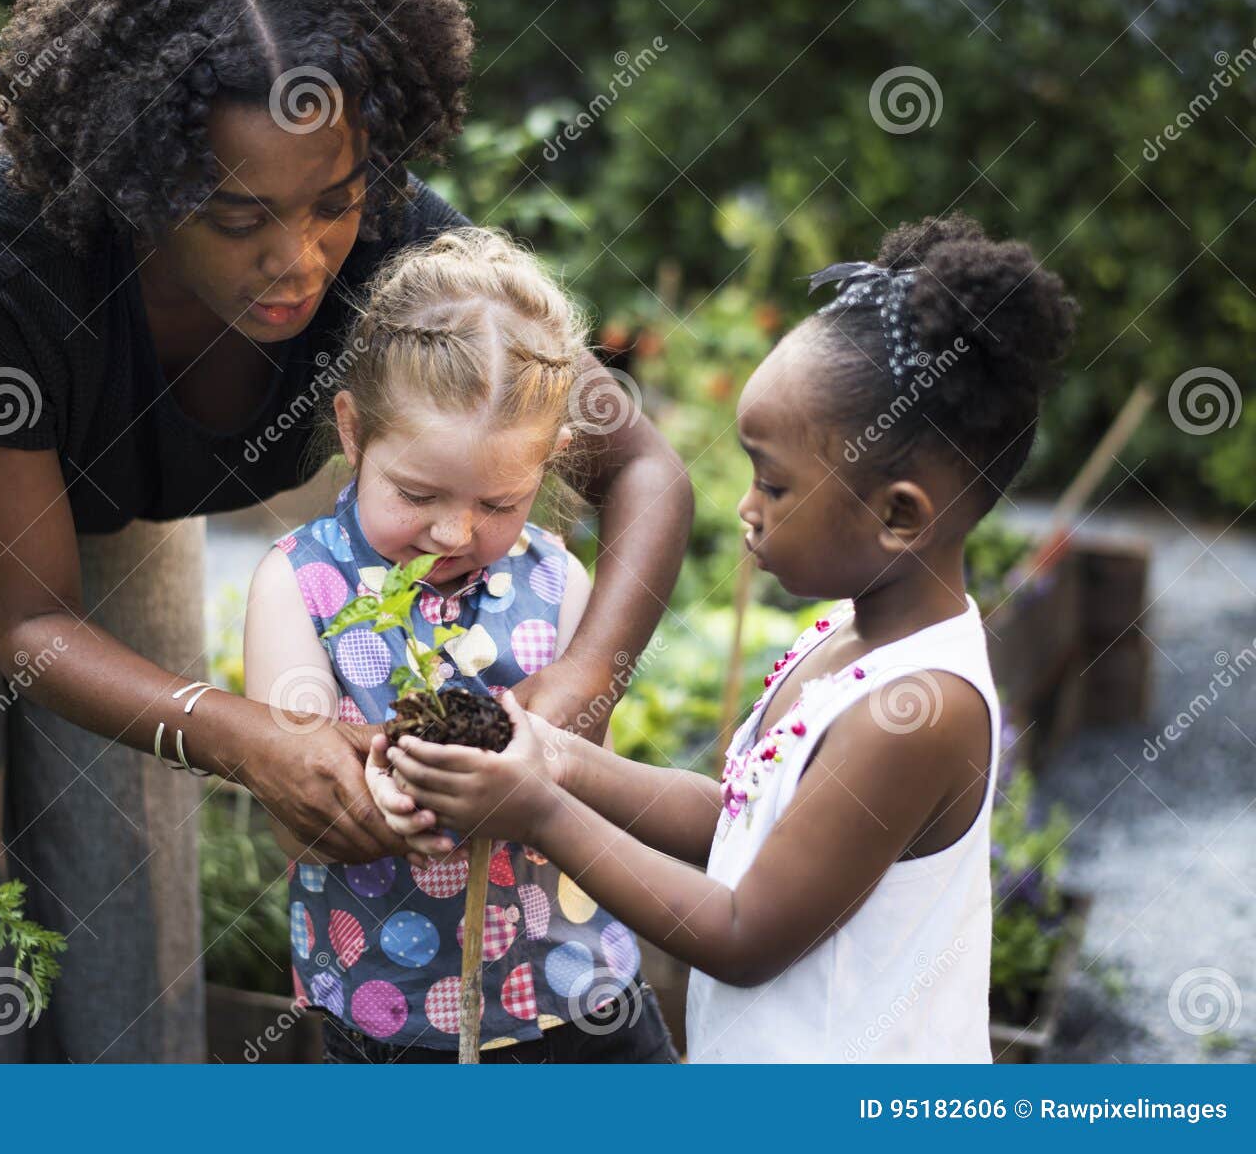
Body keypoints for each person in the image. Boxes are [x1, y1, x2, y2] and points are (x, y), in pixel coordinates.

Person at [0, 0, 692, 1062]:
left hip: (117, 479)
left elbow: (646, 471)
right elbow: (31, 627)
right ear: (140, 184)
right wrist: (248, 736)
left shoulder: (397, 249)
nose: (300, 261)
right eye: (239, 219)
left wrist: (572, 696)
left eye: (331, 204)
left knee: (126, 872)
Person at [378, 214, 1077, 1061]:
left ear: (899, 516)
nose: (745, 507)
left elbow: (744, 933)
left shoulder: (918, 710)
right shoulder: (847, 638)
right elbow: (737, 824)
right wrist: (559, 761)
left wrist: (540, 813)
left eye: (773, 485)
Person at [244, 228, 680, 1063]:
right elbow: (298, 818)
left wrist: (537, 771)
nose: (452, 533)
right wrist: (382, 799)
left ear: (549, 462)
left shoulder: (557, 581)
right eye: (417, 494)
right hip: (396, 1019)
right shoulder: (299, 585)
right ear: (352, 432)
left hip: (581, 997)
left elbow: (588, 781)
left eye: (499, 503)